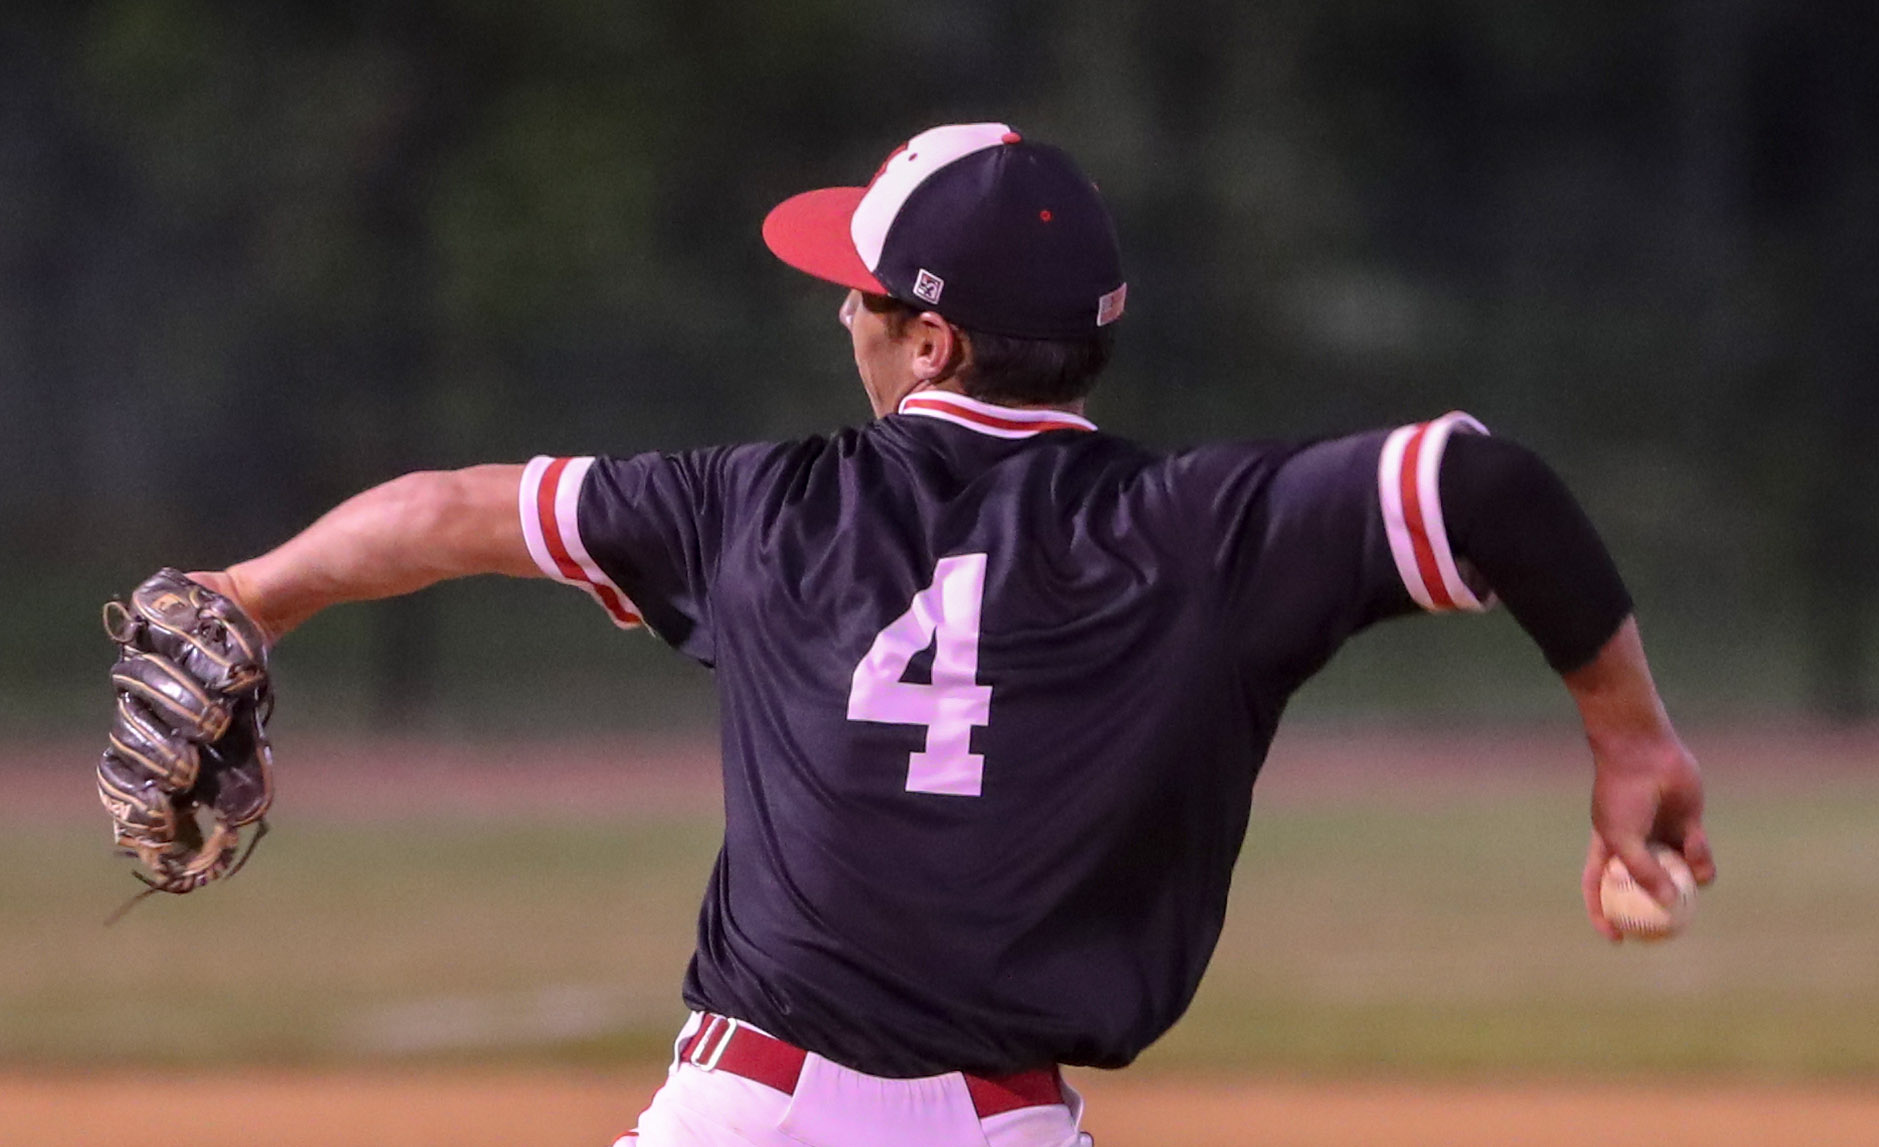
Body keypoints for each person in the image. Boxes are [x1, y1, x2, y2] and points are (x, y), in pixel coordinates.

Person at [185, 122, 1715, 1146]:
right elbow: (1481, 485)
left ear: (931, 339)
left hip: (744, 1117)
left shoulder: (761, 506)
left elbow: (449, 510)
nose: (837, 312)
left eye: (858, 291)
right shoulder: (1200, 533)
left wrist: (249, 596)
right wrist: (1630, 741)